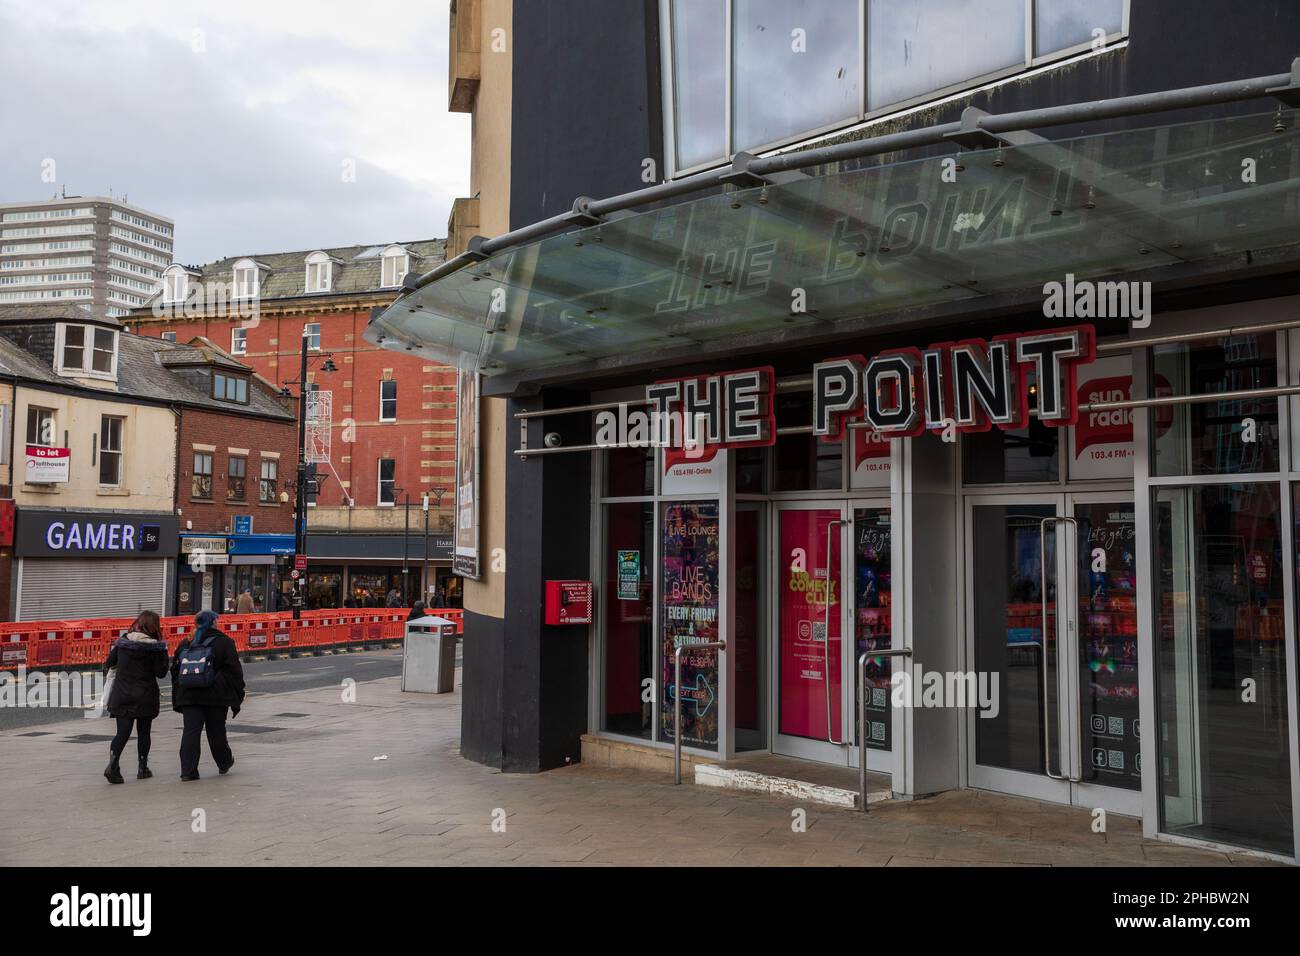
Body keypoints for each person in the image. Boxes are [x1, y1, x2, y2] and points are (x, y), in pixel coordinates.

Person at [171, 609, 245, 781]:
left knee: (190, 732)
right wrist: (238, 693)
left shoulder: (186, 643)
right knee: (216, 731)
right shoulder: (224, 642)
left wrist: (181, 687)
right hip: (216, 695)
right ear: (213, 623)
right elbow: (235, 671)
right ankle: (224, 762)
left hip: (189, 695)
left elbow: (175, 669)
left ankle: (188, 771)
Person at [101, 611, 170, 784]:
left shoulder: (123, 643)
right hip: (145, 695)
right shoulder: (156, 648)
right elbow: (161, 673)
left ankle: (113, 764)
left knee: (122, 732)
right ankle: (142, 768)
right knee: (144, 732)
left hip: (122, 694)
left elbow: (109, 663)